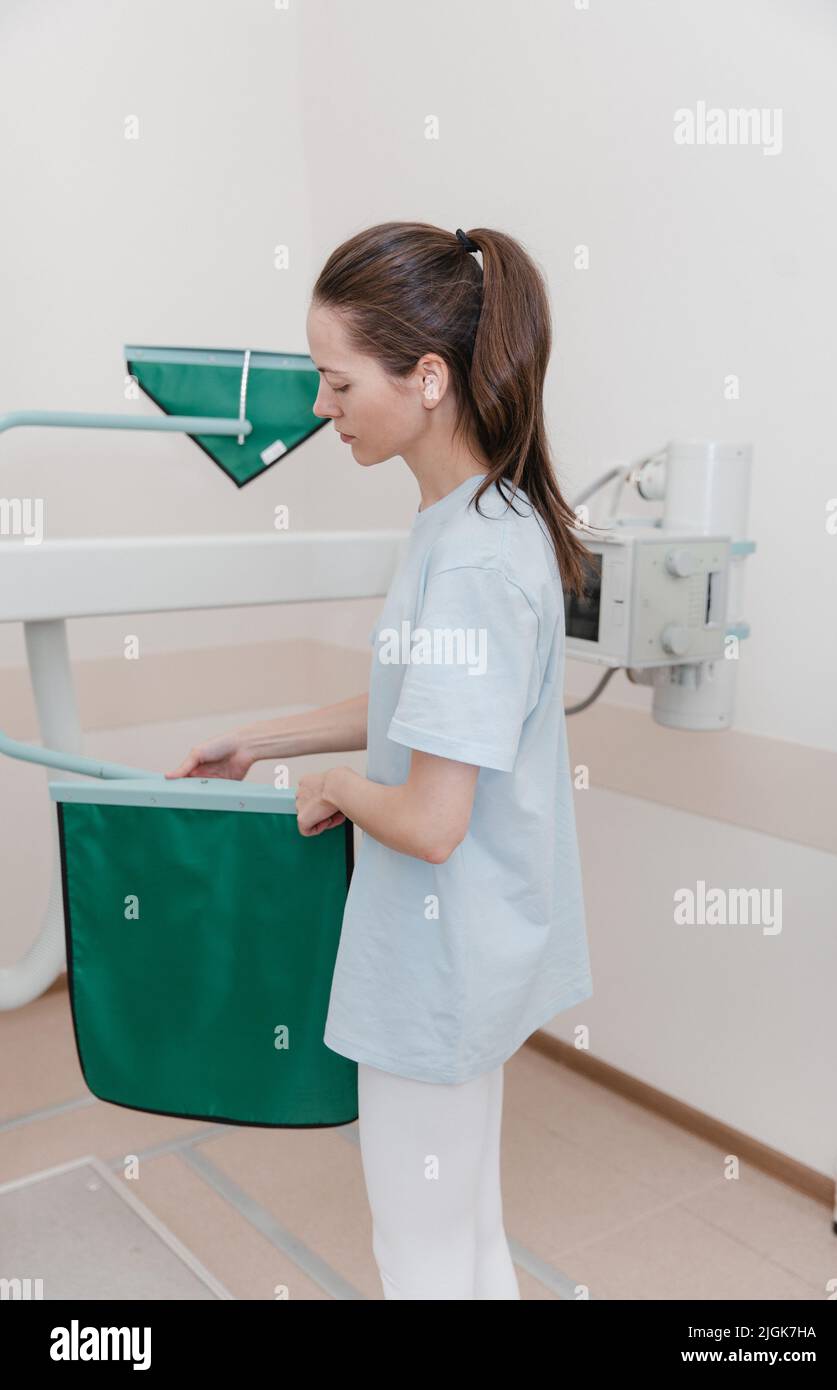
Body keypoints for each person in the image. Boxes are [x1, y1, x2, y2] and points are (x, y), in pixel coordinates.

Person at [167, 221, 597, 1300]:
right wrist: (261, 741)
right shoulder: (477, 522)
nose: (321, 409)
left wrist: (335, 787)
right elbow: (427, 708)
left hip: (437, 968)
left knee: (419, 1257)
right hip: (473, 960)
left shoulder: (472, 561)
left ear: (430, 377)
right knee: (467, 1238)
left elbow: (432, 818)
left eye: (335, 381)